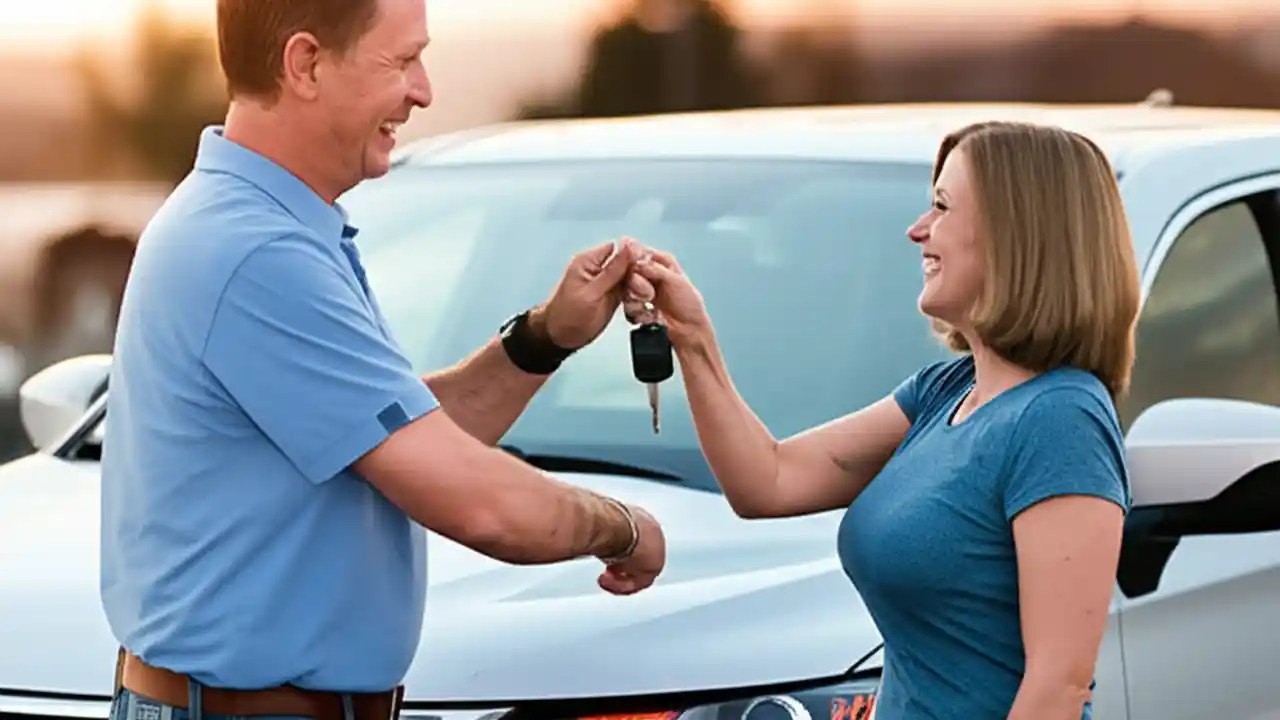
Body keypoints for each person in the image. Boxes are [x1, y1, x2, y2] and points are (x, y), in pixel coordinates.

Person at [100, 1, 666, 719]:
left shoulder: (261, 227)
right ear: (306, 64)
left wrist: (545, 336)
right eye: (402, 60)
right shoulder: (256, 253)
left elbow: (400, 439)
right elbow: (480, 505)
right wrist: (624, 528)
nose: (423, 91)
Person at [623, 120, 1140, 719]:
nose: (918, 230)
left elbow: (1058, 688)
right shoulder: (945, 391)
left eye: (942, 207)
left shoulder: (1062, 420)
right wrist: (691, 334)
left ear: (1015, 232)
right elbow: (768, 480)